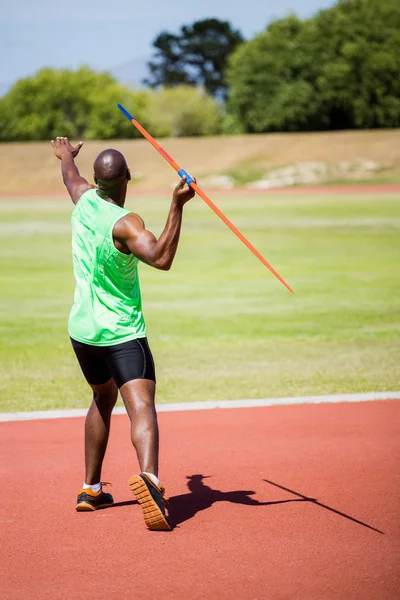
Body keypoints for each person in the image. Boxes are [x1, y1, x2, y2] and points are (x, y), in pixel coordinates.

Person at [51, 136, 195, 531]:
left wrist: (66, 155)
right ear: (127, 177)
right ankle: (150, 480)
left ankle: (90, 488)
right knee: (141, 405)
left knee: (102, 395)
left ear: (97, 180)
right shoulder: (128, 224)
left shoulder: (83, 199)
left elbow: (69, 176)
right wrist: (177, 205)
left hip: (82, 330)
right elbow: (162, 258)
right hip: (121, 332)